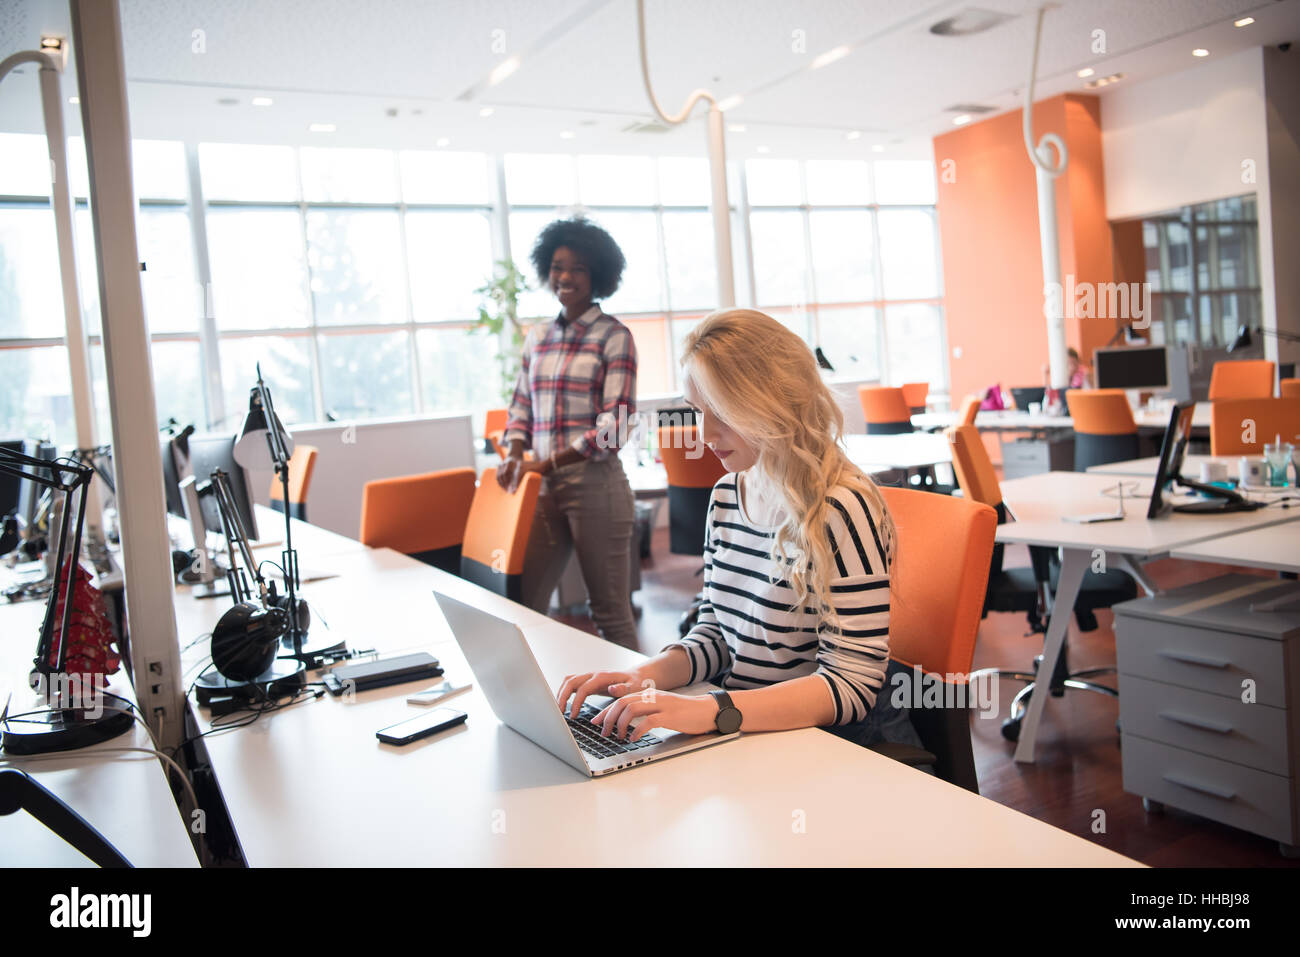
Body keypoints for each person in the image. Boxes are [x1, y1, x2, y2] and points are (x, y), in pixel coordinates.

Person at [555, 309, 924, 751]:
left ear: (773, 403)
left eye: (722, 413)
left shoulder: (841, 508)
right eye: (698, 412)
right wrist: (642, 676)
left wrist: (711, 711)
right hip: (752, 727)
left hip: (840, 746)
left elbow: (851, 684)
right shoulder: (729, 493)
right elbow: (718, 633)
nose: (705, 434)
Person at [498, 218, 639, 646]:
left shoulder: (614, 336)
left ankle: (640, 710)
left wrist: (546, 462)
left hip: (595, 485)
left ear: (597, 274)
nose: (565, 277)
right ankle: (535, 706)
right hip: (540, 485)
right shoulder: (537, 336)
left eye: (578, 268)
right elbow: (521, 404)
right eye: (558, 266)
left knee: (609, 612)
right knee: (522, 606)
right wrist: (514, 453)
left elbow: (615, 428)